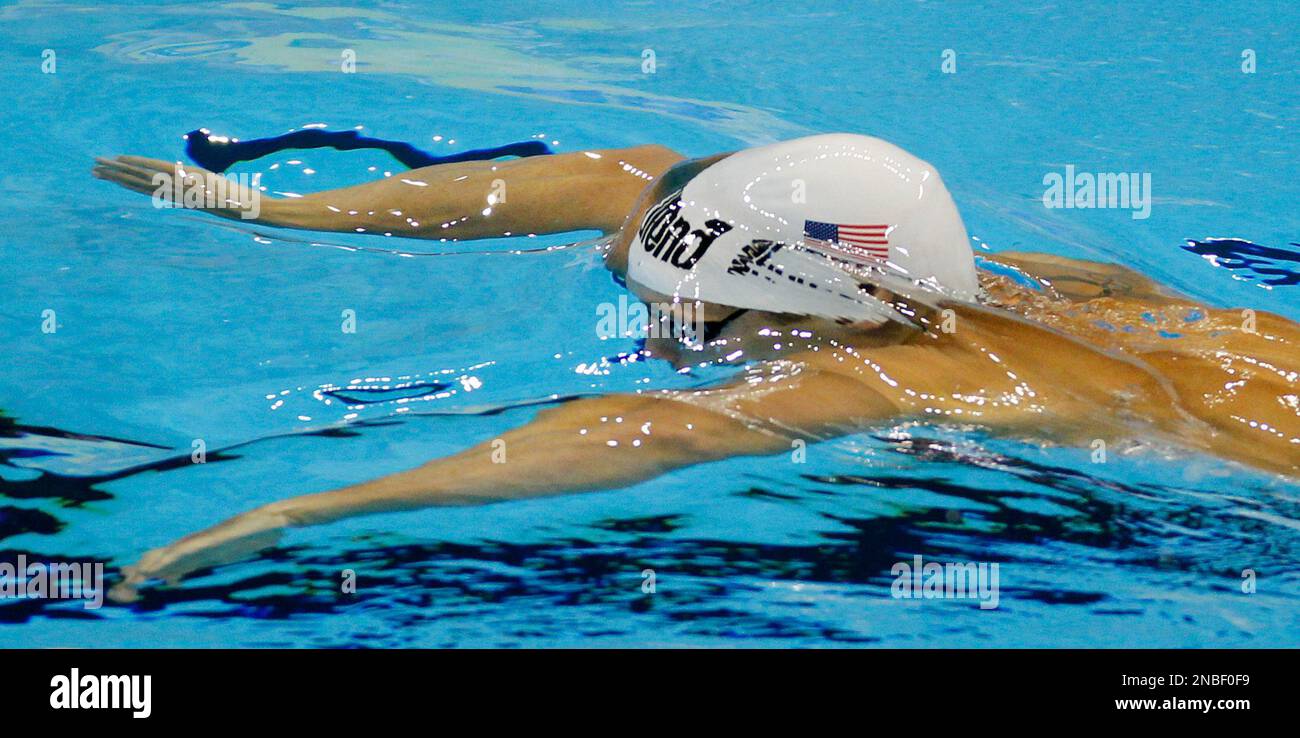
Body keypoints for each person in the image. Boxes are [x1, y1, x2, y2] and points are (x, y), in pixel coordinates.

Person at [92, 133, 1298, 599]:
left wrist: (319, 503)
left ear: (784, 309)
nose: (669, 338)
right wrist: (275, 211)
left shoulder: (887, 380)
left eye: (691, 318)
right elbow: (627, 182)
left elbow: (643, 432)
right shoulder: (1037, 283)